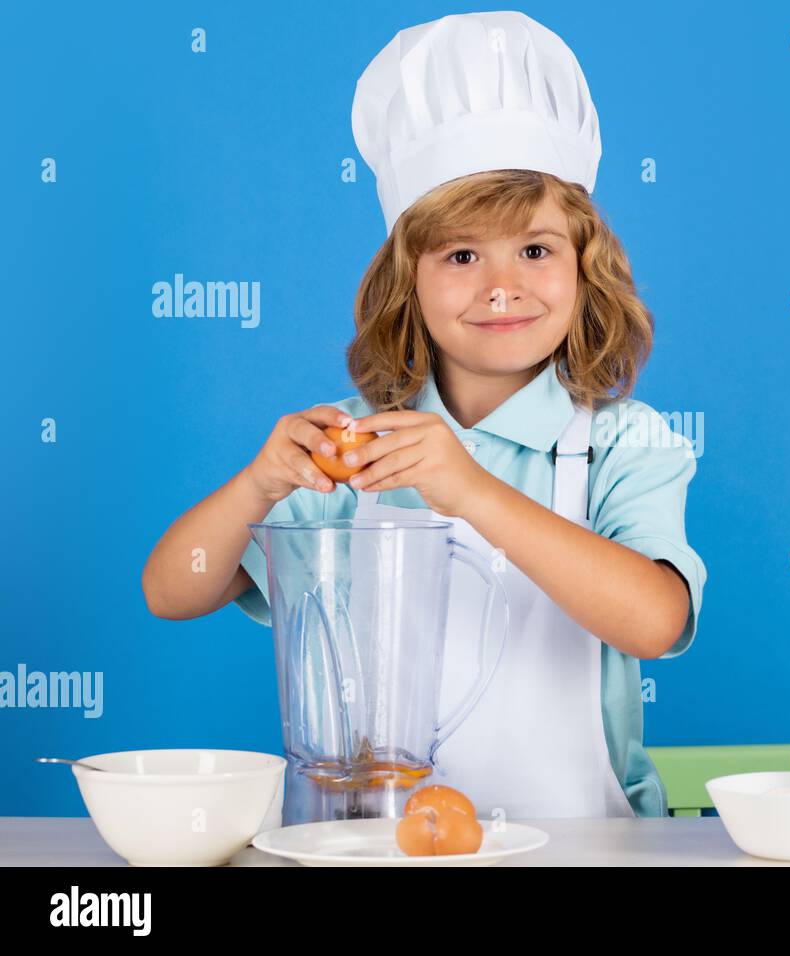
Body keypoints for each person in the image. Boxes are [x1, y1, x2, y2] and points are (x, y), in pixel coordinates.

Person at [141, 11, 705, 818]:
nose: (502, 286)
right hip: (381, 845)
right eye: (463, 255)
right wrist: (259, 485)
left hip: (588, 848)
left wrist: (469, 487)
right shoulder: (353, 446)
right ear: (408, 280)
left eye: (536, 251)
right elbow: (173, 590)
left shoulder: (626, 441)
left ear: (587, 270)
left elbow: (653, 622)